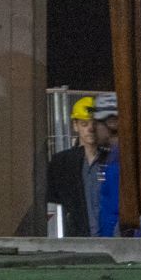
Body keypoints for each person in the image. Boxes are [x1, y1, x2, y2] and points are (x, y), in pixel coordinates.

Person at [92, 100, 141, 238]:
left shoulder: (123, 161)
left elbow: (127, 214)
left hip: (127, 249)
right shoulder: (133, 156)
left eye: (97, 123)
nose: (93, 128)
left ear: (112, 123)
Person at [46, 94, 99, 237]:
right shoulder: (61, 163)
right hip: (76, 238)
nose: (91, 129)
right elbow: (52, 202)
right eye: (84, 124)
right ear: (75, 125)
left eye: (95, 123)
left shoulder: (113, 160)